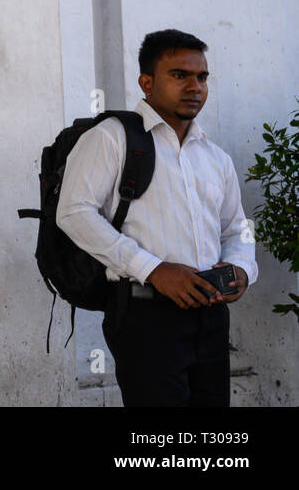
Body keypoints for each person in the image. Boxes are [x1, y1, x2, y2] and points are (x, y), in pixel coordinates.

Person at [57, 29, 257, 407]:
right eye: (179, 75)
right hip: (146, 315)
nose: (194, 86)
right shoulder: (112, 137)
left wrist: (242, 268)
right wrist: (154, 269)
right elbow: (74, 212)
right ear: (146, 83)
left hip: (212, 316)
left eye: (202, 77)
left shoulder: (215, 157)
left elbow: (237, 229)